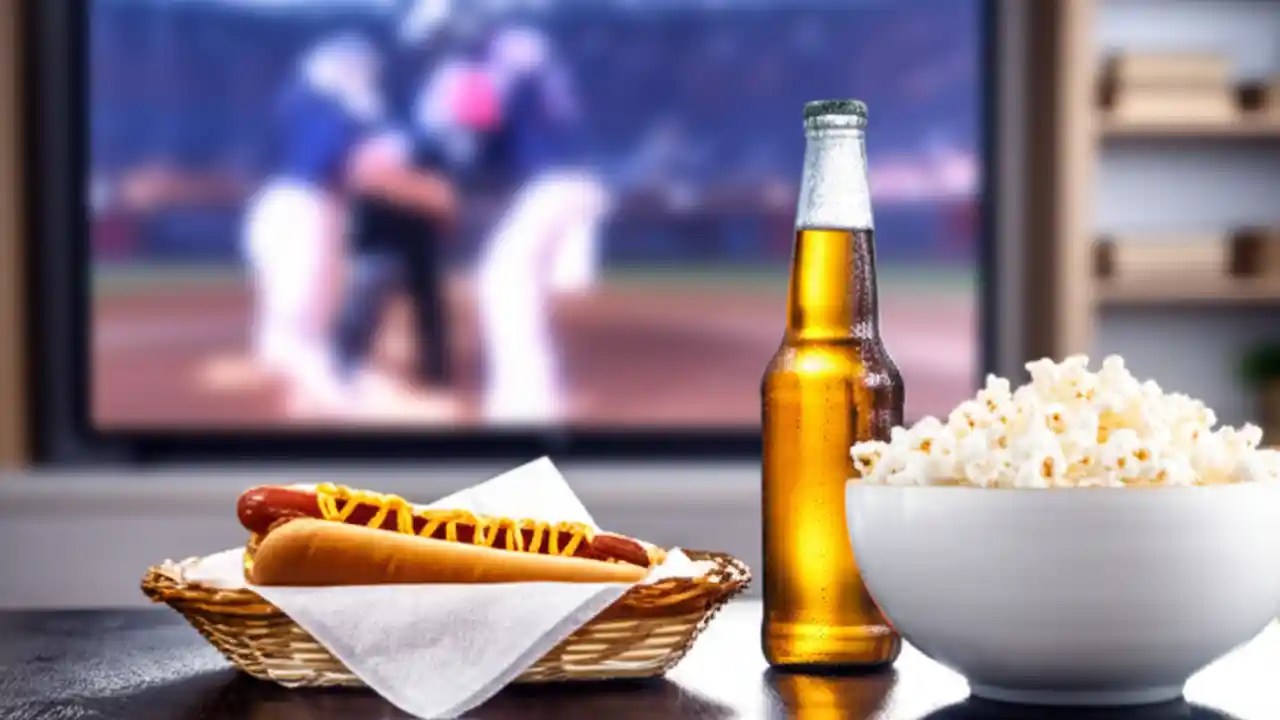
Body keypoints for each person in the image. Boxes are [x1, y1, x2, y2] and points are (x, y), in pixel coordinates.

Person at [242, 34, 453, 418]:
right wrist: (425, 193)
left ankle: (309, 393)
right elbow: (357, 171)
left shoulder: (308, 105)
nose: (364, 80)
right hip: (301, 212)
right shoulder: (323, 111)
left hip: (296, 210)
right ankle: (337, 400)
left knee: (293, 328)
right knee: (303, 328)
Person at [475, 25, 610, 424]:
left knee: (502, 282)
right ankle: (532, 397)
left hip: (554, 187)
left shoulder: (521, 79)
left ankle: (525, 404)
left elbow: (483, 119)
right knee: (518, 286)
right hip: (575, 187)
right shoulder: (550, 82)